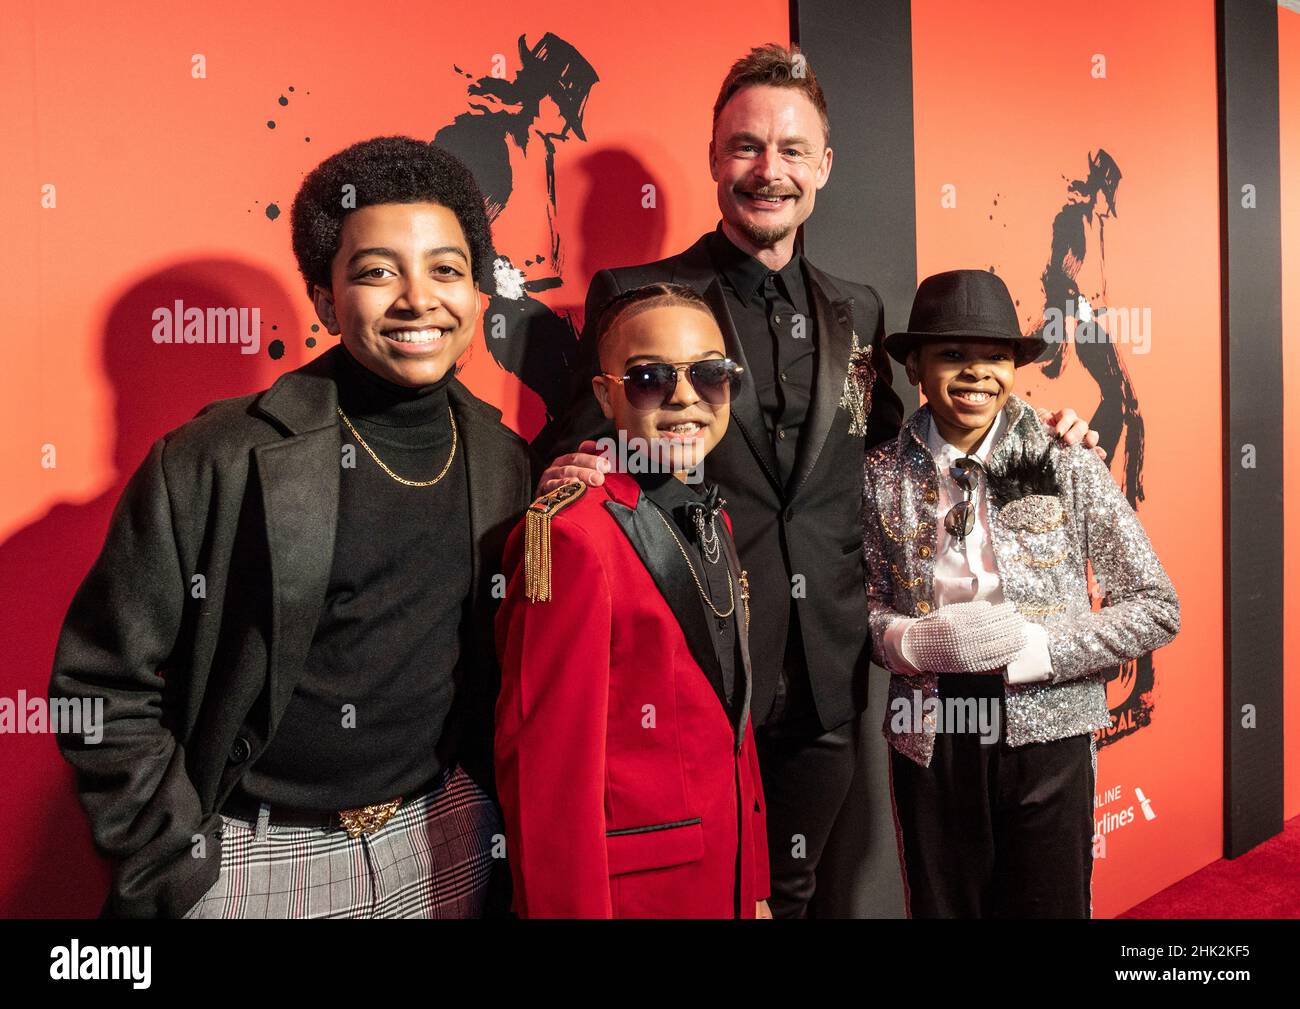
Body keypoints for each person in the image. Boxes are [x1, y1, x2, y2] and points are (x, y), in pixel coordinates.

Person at [535, 43, 1102, 917]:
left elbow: (910, 453)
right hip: (694, 670)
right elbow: (581, 465)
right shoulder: (636, 294)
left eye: (793, 150)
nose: (769, 171)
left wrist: (1039, 431)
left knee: (797, 894)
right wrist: (574, 473)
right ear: (716, 156)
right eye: (747, 146)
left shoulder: (859, 308)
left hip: (830, 668)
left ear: (825, 165)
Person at [48, 137, 534, 918]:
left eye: (446, 269)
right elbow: (97, 685)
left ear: (477, 291)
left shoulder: (503, 456)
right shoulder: (217, 456)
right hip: (258, 859)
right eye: (378, 271)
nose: (419, 298)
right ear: (323, 297)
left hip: (445, 837)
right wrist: (179, 869)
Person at [862, 269, 1180, 918]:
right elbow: (861, 605)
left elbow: (1156, 605)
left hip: (1050, 732)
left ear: (1015, 366)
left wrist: (1041, 649)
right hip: (930, 736)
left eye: (995, 355)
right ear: (916, 365)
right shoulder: (879, 473)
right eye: (953, 354)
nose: (977, 371)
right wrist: (904, 639)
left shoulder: (1065, 458)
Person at [495, 283, 770, 918]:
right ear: (604, 394)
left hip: (723, 880)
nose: (685, 397)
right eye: (649, 378)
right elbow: (547, 778)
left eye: (709, 374)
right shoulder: (572, 537)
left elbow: (735, 723)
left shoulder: (714, 520)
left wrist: (753, 883)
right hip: (635, 895)